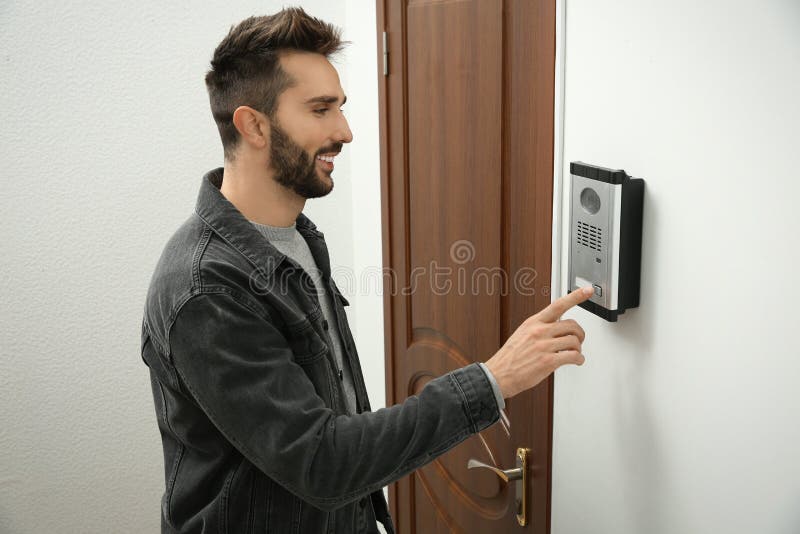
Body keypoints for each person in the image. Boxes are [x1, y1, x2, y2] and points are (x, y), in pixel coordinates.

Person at [140, 7, 593, 534]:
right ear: (254, 125)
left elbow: (336, 420)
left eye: (341, 107)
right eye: (321, 109)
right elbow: (322, 463)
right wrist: (496, 379)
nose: (346, 131)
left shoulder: (297, 238)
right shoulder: (207, 289)